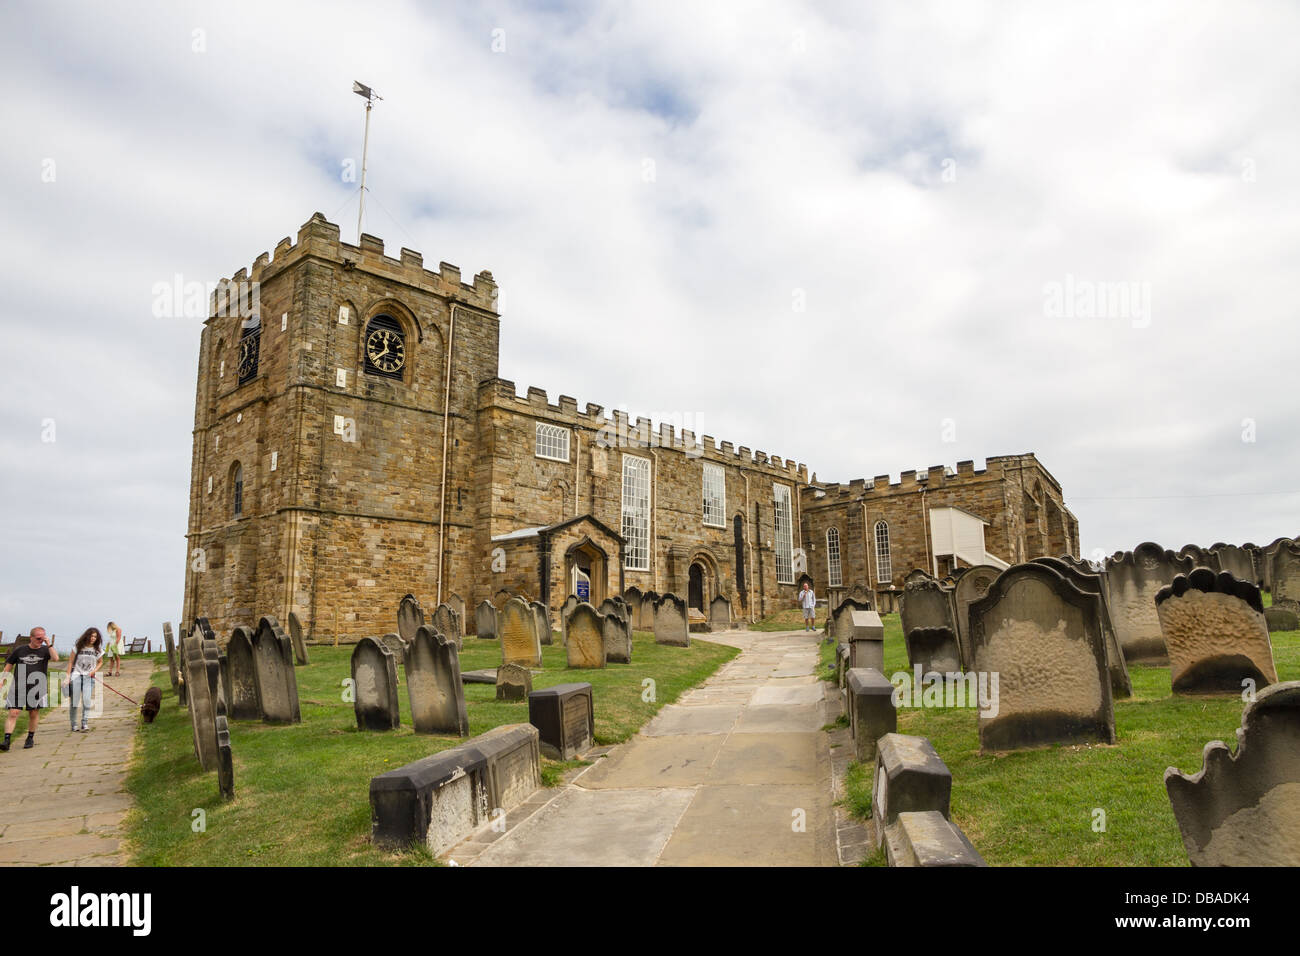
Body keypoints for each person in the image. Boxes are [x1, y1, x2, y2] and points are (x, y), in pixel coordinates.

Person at [2, 627, 60, 751]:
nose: (41, 640)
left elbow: (56, 659)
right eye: (38, 638)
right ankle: (6, 740)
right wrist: (2, 679)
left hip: (37, 687)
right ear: (31, 638)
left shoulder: (45, 650)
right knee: (13, 712)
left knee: (33, 713)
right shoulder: (20, 650)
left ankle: (30, 737)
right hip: (18, 686)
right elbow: (9, 665)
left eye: (43, 638)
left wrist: (49, 644)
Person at [66, 627, 103, 732]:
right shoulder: (78, 647)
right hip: (76, 675)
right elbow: (70, 662)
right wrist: (68, 676)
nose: (93, 638)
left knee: (87, 701)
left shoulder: (97, 649)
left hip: (89, 677)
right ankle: (73, 724)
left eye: (95, 637)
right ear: (86, 636)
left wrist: (94, 670)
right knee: (74, 702)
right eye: (91, 636)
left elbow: (100, 661)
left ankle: (84, 722)